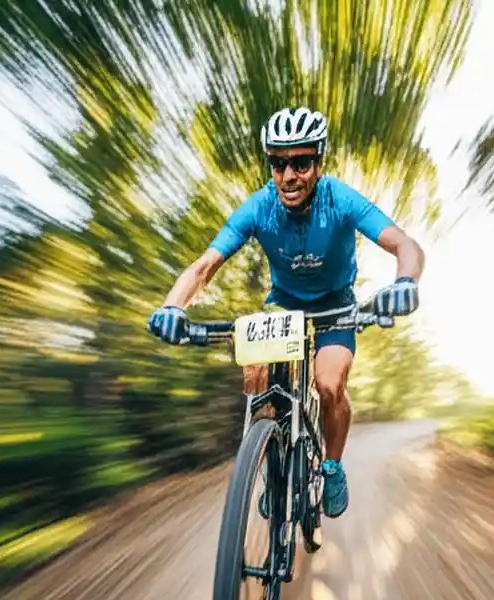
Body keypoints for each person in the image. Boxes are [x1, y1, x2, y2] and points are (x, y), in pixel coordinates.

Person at [147, 106, 425, 518]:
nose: (289, 175)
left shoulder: (340, 199)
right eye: (278, 163)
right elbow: (205, 266)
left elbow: (405, 245)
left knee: (328, 383)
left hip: (335, 302)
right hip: (283, 303)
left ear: (318, 163)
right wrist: (172, 305)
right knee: (257, 376)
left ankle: (331, 467)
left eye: (301, 162)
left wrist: (405, 283)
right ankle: (272, 465)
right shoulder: (259, 206)